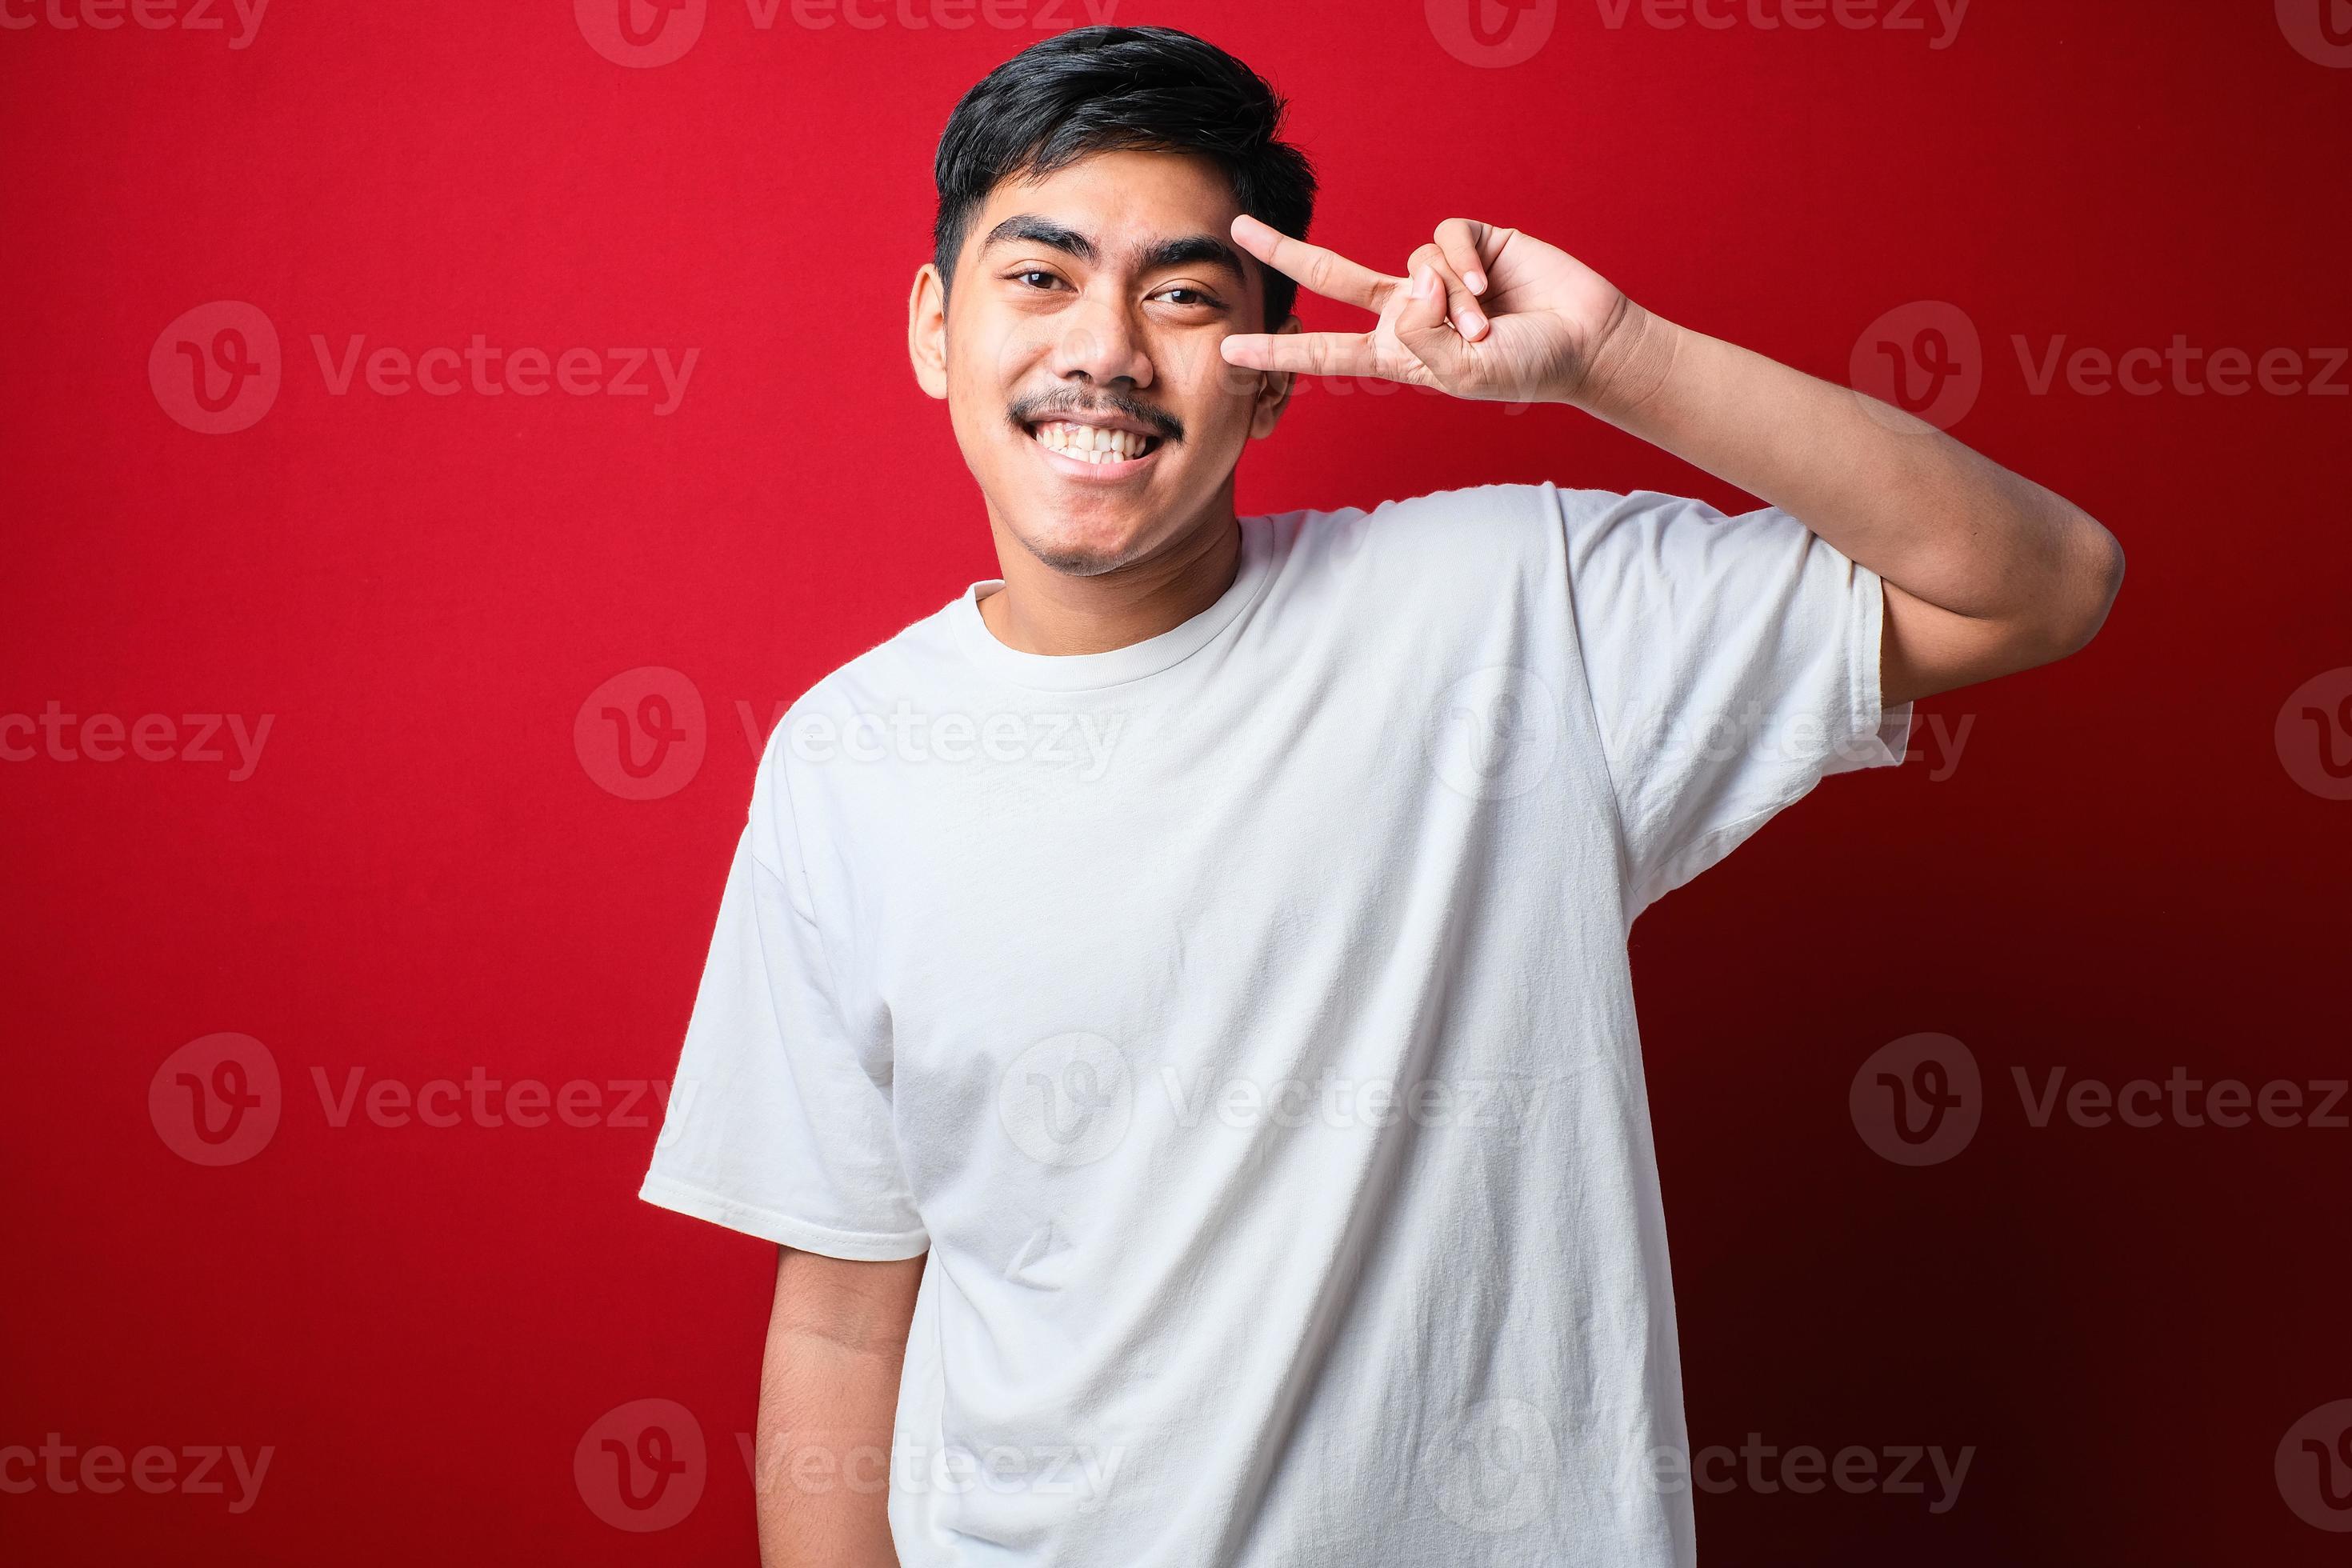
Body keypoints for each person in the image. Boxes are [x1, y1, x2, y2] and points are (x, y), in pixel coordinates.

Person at [641, 25, 2121, 1567]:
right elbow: (844, 1317)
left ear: (1273, 376)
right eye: (1040, 276)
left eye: (1183, 294)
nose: (1107, 351)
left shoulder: (1514, 616)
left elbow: (2042, 584)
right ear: (936, 328)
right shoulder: (848, 756)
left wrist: (1619, 358)